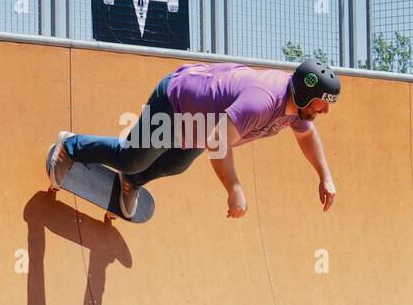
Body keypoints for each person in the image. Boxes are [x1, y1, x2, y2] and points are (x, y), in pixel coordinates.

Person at [48, 59, 340, 220]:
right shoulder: (260, 102)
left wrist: (324, 176)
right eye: (321, 104)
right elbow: (218, 144)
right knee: (131, 157)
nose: (325, 110)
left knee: (175, 165)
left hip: (203, 123)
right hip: (176, 104)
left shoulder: (299, 111)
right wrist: (234, 188)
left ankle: (131, 181)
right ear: (303, 96)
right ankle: (70, 146)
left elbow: (307, 136)